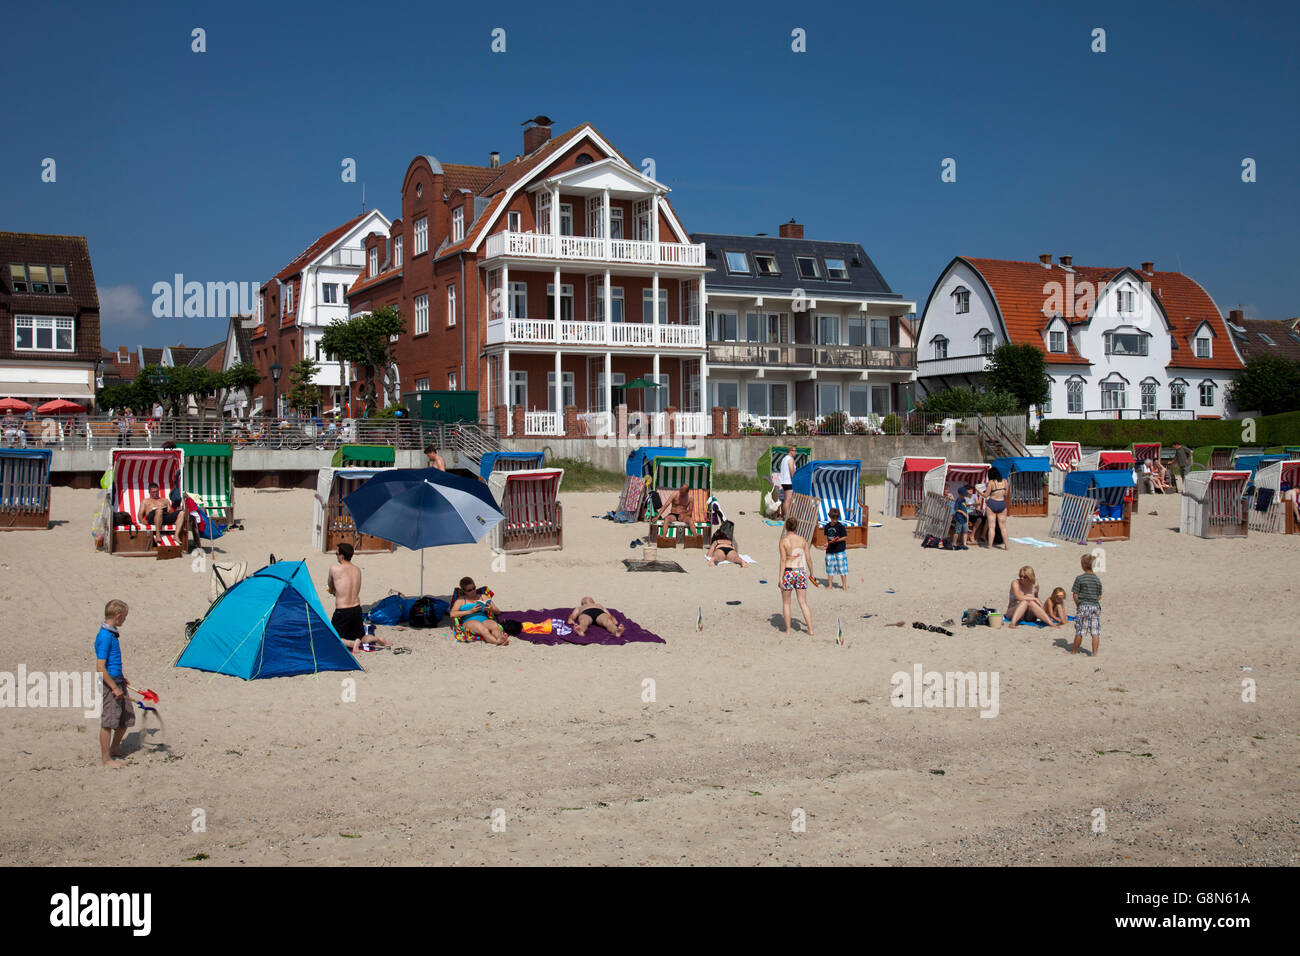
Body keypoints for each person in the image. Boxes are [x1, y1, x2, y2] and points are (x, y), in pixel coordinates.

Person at [327, 543, 387, 651]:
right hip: (356, 609)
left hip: (343, 611)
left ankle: (352, 643)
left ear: (342, 556)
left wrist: (333, 591)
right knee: (361, 636)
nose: (336, 555)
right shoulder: (357, 570)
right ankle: (377, 638)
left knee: (332, 637)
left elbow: (331, 587)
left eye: (337, 553)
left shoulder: (334, 569)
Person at [95, 599, 134, 766]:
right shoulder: (105, 636)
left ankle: (115, 748)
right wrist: (113, 687)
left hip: (117, 680)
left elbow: (113, 662)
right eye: (124, 618)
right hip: (110, 684)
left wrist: (120, 678)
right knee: (109, 721)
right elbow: (100, 667)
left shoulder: (112, 633)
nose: (124, 620)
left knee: (127, 717)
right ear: (118, 616)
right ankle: (106, 758)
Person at [778, 516, 814, 636]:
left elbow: (783, 560)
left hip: (789, 571)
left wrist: (780, 578)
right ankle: (810, 629)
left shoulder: (783, 541)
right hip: (800, 572)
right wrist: (811, 573)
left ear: (786, 527)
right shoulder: (803, 540)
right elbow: (808, 558)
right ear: (796, 527)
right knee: (803, 602)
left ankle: (788, 630)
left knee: (786, 603)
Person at [450, 576, 508, 645]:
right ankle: (496, 642)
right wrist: (470, 611)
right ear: (464, 591)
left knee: (493, 625)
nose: (473, 591)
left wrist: (490, 609)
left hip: (484, 620)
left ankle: (500, 638)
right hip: (469, 621)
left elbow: (497, 611)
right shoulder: (461, 600)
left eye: (474, 588)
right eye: (469, 590)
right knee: (483, 629)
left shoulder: (483, 597)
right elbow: (452, 614)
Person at [1070, 553, 1104, 655]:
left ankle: (1074, 651)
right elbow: (1099, 596)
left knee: (1080, 630)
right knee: (1095, 631)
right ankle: (1094, 653)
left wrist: (1078, 605)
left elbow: (1075, 594)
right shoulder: (1097, 579)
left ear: (1083, 565)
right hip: (1095, 606)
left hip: (1084, 606)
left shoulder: (1080, 578)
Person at [138, 481, 179, 548]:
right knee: (159, 510)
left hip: (163, 518)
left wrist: (169, 510)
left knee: (181, 513)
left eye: (157, 491)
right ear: (149, 492)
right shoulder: (145, 501)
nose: (155, 493)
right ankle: (157, 534)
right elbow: (140, 514)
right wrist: (142, 520)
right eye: (153, 492)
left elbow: (171, 512)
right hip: (152, 519)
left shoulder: (165, 500)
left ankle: (176, 535)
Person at [983, 467, 1010, 550]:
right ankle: (1006, 546)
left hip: (992, 503)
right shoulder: (1005, 481)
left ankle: (990, 546)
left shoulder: (991, 482)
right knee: (1003, 527)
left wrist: (978, 491)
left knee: (991, 527)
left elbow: (986, 495)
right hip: (1002, 503)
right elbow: (1006, 494)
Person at [822, 508, 849, 588]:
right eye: (833, 518)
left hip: (840, 550)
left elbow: (844, 537)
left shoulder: (841, 526)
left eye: (836, 518)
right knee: (830, 568)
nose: (834, 520)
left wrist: (837, 540)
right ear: (830, 517)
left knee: (842, 568)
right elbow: (827, 537)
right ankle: (830, 585)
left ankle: (844, 586)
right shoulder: (827, 526)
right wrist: (826, 544)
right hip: (830, 550)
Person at [950, 484, 972, 551]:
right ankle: (954, 543)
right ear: (959, 494)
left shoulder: (964, 500)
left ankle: (964, 544)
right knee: (957, 531)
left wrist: (966, 509)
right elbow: (956, 509)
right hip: (959, 518)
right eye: (963, 494)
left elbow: (964, 507)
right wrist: (963, 512)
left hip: (964, 519)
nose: (964, 495)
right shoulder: (958, 500)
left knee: (965, 531)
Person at [778, 445, 797, 517]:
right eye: (794, 451)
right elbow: (791, 470)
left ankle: (784, 515)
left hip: (784, 481)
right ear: (790, 451)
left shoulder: (784, 459)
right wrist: (794, 480)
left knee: (785, 499)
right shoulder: (790, 459)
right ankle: (786, 516)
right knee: (788, 500)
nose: (796, 452)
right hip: (788, 481)